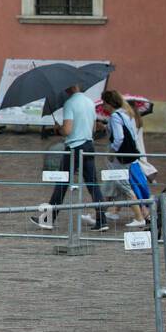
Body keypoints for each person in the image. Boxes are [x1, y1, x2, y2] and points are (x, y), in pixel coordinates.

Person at [34, 84, 108, 231]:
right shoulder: (89, 102)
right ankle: (102, 220)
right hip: (88, 146)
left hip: (74, 147)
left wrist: (58, 128)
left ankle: (48, 219)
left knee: (62, 183)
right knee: (93, 185)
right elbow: (93, 129)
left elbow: (67, 130)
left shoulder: (69, 103)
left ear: (67, 89)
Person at [101, 90, 151, 228]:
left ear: (109, 103)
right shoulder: (126, 114)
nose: (103, 106)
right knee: (111, 185)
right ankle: (100, 216)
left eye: (104, 103)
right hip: (127, 157)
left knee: (124, 186)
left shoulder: (115, 117)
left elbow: (119, 138)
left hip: (119, 158)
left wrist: (112, 152)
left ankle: (140, 217)